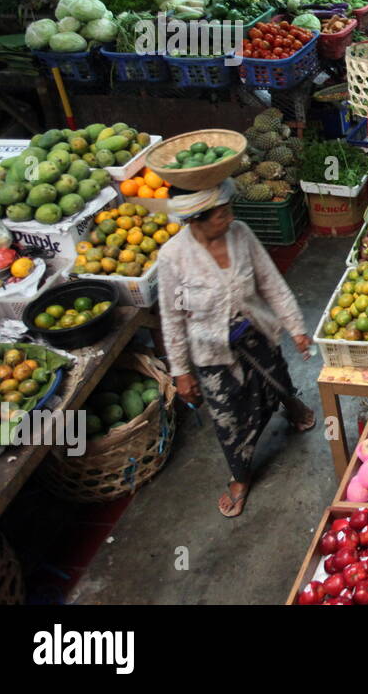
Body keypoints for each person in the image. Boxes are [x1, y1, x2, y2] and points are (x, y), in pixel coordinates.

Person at [158, 180, 316, 517]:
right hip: (211, 350)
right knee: (227, 415)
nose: (229, 218)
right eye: (219, 215)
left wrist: (296, 329)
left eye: (228, 211)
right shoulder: (172, 256)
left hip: (256, 332)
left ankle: (291, 404)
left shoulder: (241, 234)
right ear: (195, 219)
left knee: (276, 377)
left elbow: (271, 282)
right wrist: (181, 372)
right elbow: (171, 319)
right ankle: (240, 475)